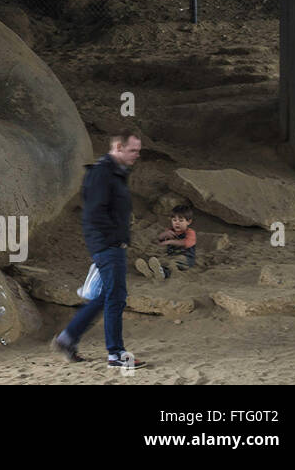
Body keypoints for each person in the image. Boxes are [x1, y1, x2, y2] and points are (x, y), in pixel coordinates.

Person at [51, 130, 148, 369]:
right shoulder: (102, 174)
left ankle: (67, 338)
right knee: (115, 298)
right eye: (133, 150)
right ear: (117, 147)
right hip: (108, 246)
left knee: (106, 296)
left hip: (110, 244)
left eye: (138, 150)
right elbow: (94, 214)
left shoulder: (114, 173)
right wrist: (114, 240)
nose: (137, 155)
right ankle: (115, 354)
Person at [135, 204, 197, 280]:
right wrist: (163, 235)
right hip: (171, 256)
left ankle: (163, 274)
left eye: (181, 220)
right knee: (161, 261)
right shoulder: (170, 231)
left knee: (172, 264)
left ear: (189, 222)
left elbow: (186, 243)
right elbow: (159, 240)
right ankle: (151, 272)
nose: (177, 223)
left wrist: (170, 241)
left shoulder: (190, 232)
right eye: (174, 220)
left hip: (186, 258)